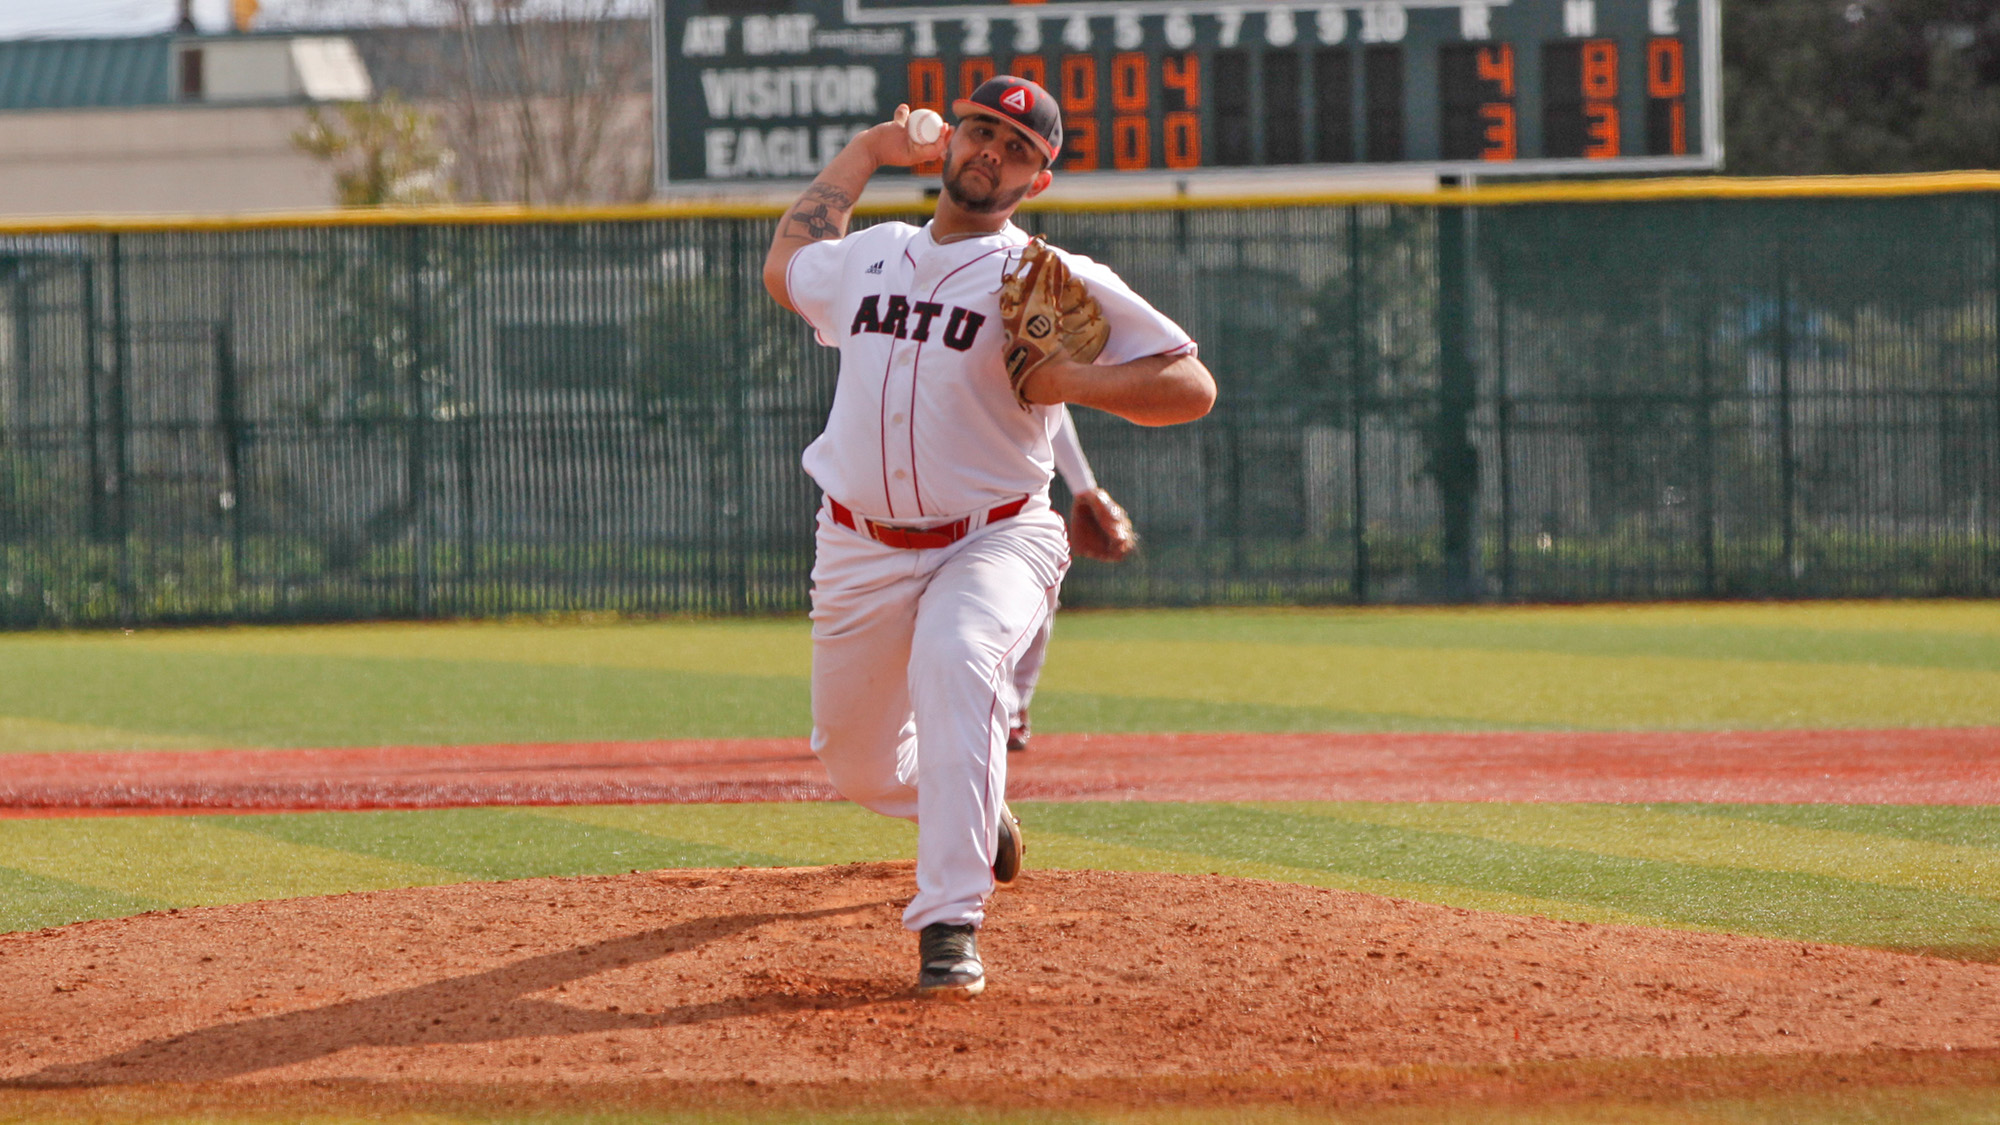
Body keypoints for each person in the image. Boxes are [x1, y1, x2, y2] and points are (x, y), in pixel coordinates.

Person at [761, 75, 1214, 998]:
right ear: (951, 141)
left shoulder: (1049, 275)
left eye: (1018, 149)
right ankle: (981, 816)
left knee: (961, 659)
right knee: (852, 759)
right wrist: (867, 152)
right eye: (980, 132)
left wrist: (1072, 380)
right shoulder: (873, 256)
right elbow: (786, 266)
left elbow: (1190, 385)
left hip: (996, 535)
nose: (992, 154)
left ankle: (949, 922)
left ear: (1037, 180)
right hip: (859, 544)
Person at [1007, 406, 1133, 753]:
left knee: (1035, 597)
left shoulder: (1018, 356)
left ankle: (1012, 708)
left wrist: (1084, 488)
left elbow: (1052, 405)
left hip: (1009, 514)